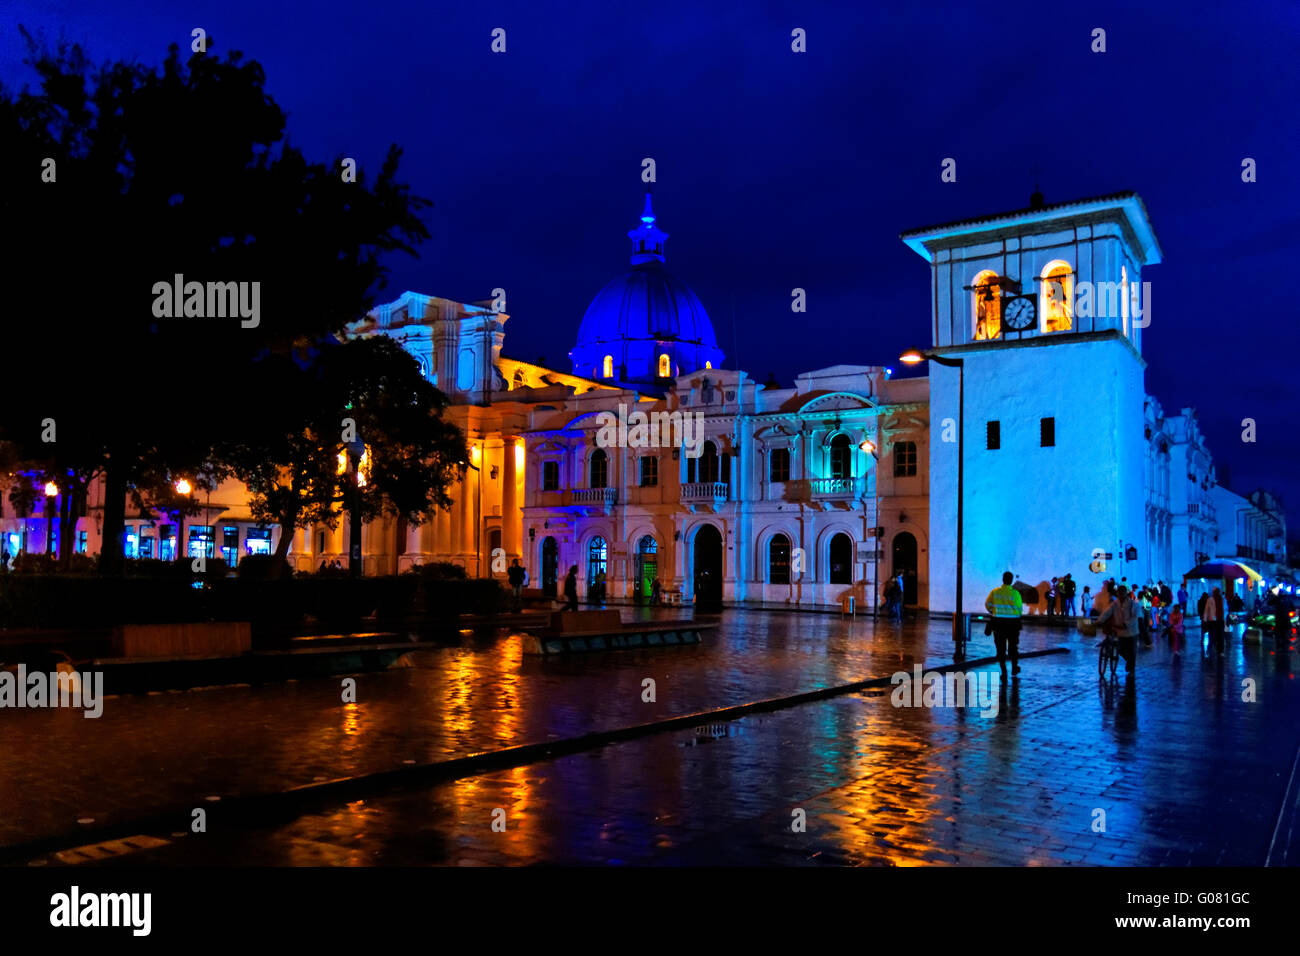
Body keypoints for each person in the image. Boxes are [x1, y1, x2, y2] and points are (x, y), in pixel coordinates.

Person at [985, 571, 1024, 677]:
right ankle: (1014, 667)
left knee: (1000, 648)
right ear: (1011, 581)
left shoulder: (995, 592)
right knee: (1013, 646)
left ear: (1003, 580)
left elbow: (988, 604)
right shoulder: (1015, 593)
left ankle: (1004, 671)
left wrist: (994, 611)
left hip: (998, 623)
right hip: (1013, 624)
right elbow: (1020, 609)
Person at [1097, 584, 1139, 679]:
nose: (1120, 595)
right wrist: (1100, 620)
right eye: (1119, 593)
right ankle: (1129, 662)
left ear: (1125, 593)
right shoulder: (1115, 604)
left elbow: (1134, 617)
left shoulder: (1132, 604)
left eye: (1122, 593)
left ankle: (1131, 668)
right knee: (1121, 650)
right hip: (1121, 632)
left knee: (1132, 651)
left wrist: (1126, 624)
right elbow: (1107, 612)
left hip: (1132, 632)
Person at [1201, 587, 1225, 656]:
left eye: (1218, 591)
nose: (1217, 593)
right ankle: (1209, 649)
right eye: (1216, 591)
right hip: (1212, 621)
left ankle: (1220, 651)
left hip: (1220, 620)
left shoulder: (1222, 599)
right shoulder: (1210, 599)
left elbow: (1225, 609)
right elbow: (1206, 610)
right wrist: (1204, 620)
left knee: (1221, 637)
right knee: (1212, 636)